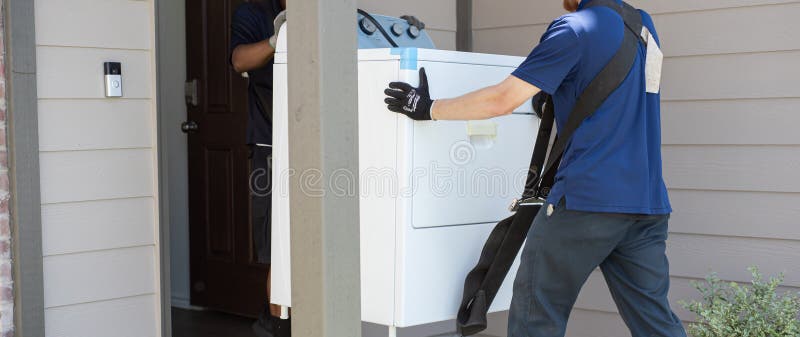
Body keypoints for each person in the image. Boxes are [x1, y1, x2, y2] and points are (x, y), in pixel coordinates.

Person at [383, 0, 687, 336]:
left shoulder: (574, 29)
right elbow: (621, 95)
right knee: (656, 323)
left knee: (536, 319)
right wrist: (558, 95)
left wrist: (428, 107)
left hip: (584, 203)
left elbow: (502, 99)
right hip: (647, 206)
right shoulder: (644, 27)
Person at [229, 1, 288, 336]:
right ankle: (277, 325)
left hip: (319, 145)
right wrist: (276, 40)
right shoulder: (252, 13)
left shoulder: (328, 11)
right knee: (278, 247)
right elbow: (239, 60)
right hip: (270, 145)